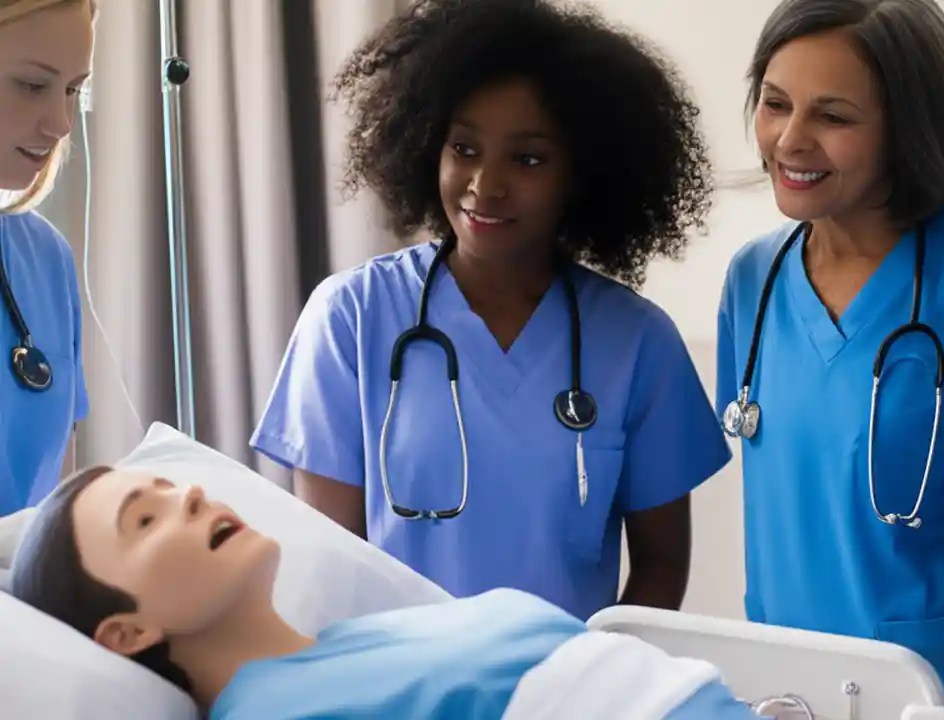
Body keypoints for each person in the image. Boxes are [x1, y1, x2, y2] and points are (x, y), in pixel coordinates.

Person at [250, 0, 729, 622]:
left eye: (527, 159)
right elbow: (330, 560)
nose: (485, 184)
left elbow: (662, 566)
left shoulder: (638, 343)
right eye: (464, 148)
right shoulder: (351, 317)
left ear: (581, 175)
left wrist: (594, 679)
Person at [716, 0, 944, 712]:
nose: (790, 140)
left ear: (909, 129)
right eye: (776, 104)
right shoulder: (753, 280)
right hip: (785, 687)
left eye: (833, 117)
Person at [8, 466, 758, 719]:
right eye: (146, 519)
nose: (193, 499)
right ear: (126, 633)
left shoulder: (357, 638)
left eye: (174, 487)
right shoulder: (273, 712)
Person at [0, 0, 94, 516]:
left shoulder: (45, 261)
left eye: (73, 89)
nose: (61, 122)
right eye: (33, 86)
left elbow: (56, 511)